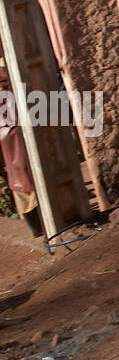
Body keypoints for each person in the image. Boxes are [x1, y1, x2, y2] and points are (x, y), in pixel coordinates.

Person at [0, 63, 42, 240]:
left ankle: (35, 225)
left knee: (17, 180)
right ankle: (40, 223)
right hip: (15, 132)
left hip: (6, 135)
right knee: (29, 178)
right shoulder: (7, 77)